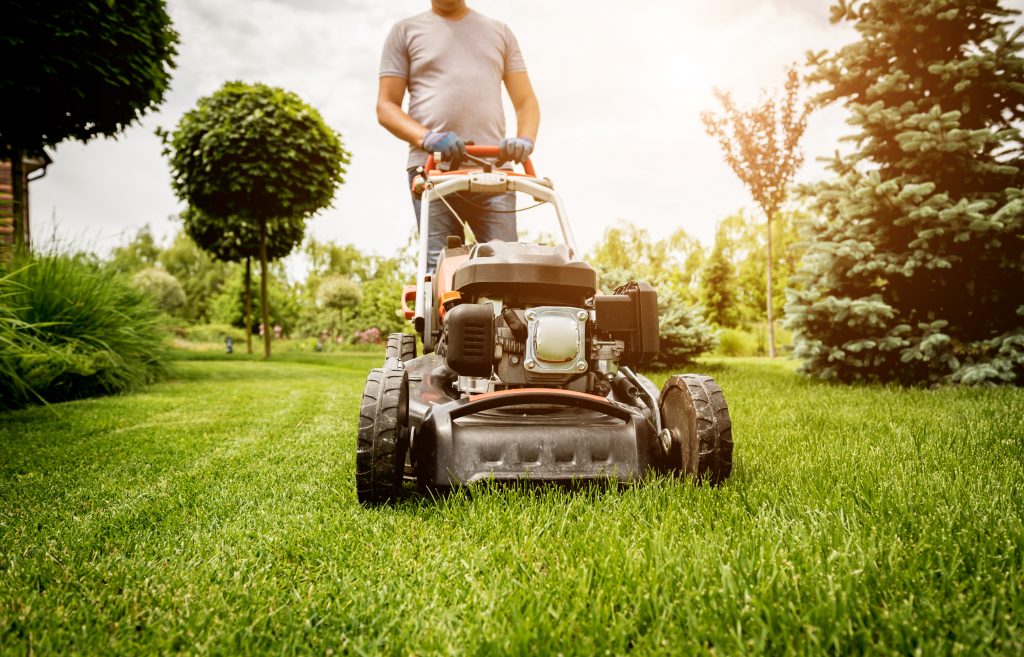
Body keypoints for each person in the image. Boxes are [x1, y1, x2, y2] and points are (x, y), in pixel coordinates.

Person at [377, 0, 540, 270]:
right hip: (433, 171)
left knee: (507, 266)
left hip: (494, 172)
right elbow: (386, 106)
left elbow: (526, 102)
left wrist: (525, 139)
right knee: (441, 268)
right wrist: (427, 138)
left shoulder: (499, 32)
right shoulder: (405, 31)